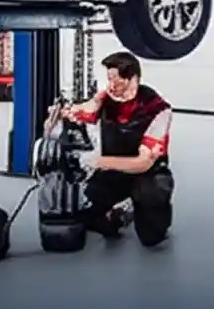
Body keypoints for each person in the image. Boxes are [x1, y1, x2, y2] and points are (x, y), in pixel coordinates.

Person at [63, 51, 175, 247]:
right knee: (83, 212)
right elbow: (86, 109)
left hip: (148, 174)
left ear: (133, 79)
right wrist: (67, 111)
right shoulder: (106, 97)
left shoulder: (159, 110)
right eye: (109, 79)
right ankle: (120, 216)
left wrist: (97, 161)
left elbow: (143, 163)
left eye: (117, 80)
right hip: (114, 172)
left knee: (151, 237)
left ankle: (153, 213)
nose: (111, 86)